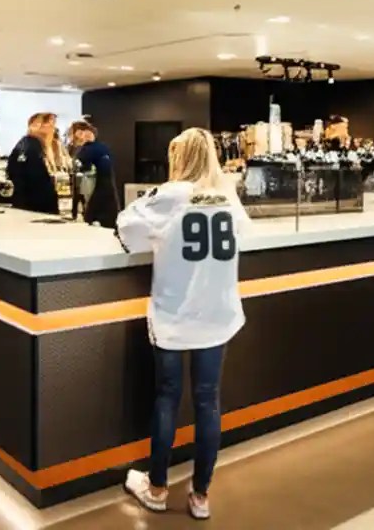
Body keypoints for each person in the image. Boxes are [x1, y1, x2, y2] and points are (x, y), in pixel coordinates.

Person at [118, 128, 250, 520]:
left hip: (175, 314)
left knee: (167, 397)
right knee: (208, 400)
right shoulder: (227, 196)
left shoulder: (168, 195)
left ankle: (157, 488)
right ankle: (201, 496)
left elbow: (126, 229)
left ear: (179, 157)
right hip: (217, 313)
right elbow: (244, 234)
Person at [70, 120, 120, 228]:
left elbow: (78, 181)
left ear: (78, 133)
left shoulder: (86, 151)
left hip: (95, 205)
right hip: (110, 203)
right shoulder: (104, 148)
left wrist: (75, 211)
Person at [6, 112, 58, 215]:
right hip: (35, 205)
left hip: (29, 203)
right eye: (50, 124)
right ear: (37, 125)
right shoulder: (31, 146)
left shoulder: (38, 145)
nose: (53, 128)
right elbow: (33, 176)